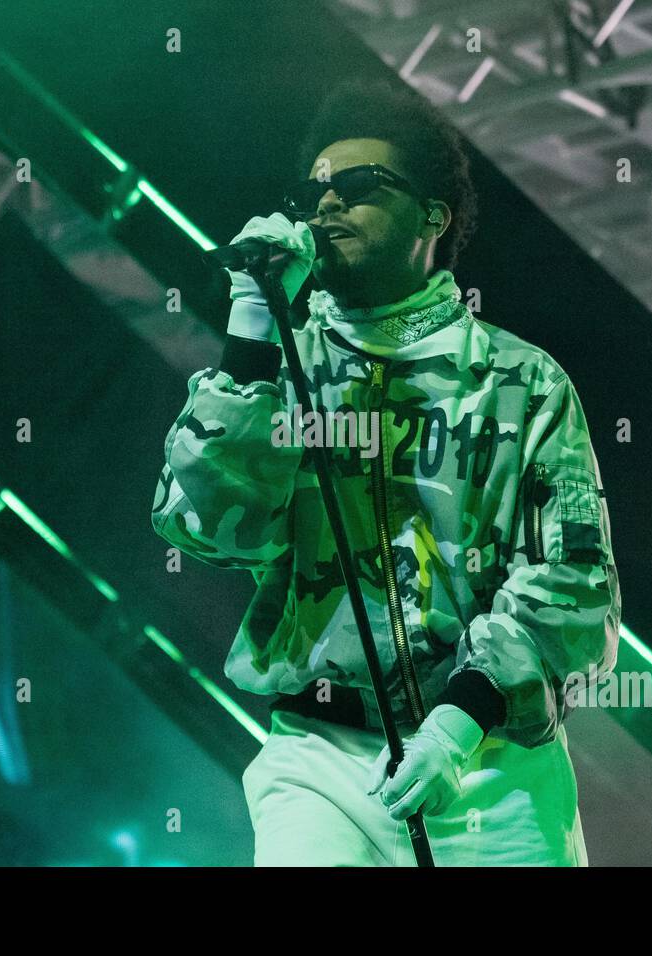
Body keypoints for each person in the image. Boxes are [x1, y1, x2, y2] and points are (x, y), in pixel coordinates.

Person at [151, 79, 622, 866]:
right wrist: (251, 332)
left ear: (432, 219)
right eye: (314, 192)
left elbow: (576, 584)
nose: (326, 206)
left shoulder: (520, 380)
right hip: (321, 760)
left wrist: (461, 717)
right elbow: (204, 531)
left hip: (490, 761)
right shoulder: (283, 371)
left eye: (360, 186)